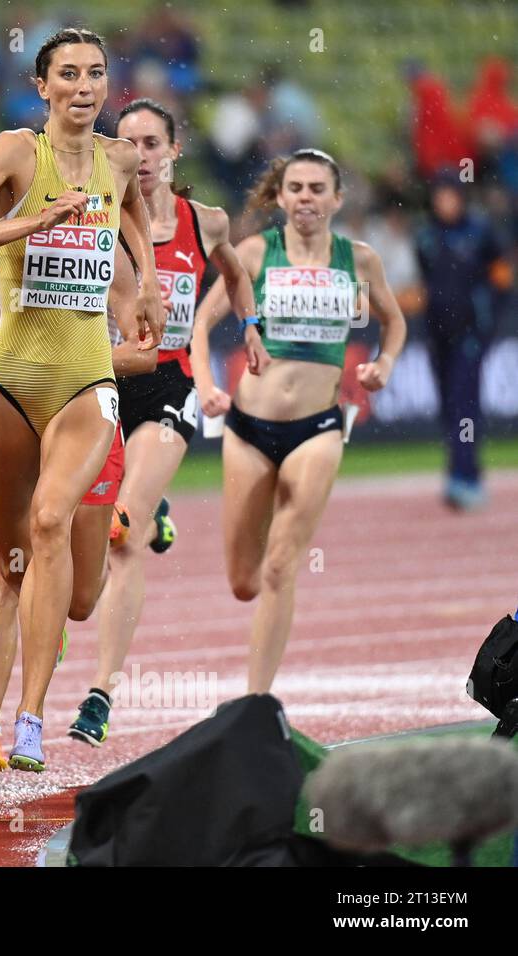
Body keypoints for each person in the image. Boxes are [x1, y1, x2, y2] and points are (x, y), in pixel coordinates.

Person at [0, 26, 164, 772]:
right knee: (10, 565)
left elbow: (131, 206)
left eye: (96, 73)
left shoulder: (119, 158)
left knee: (54, 532)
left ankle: (32, 718)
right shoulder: (14, 153)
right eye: (67, 74)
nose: (83, 86)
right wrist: (33, 221)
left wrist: (148, 279)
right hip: (10, 378)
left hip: (86, 380)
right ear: (42, 87)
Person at [65, 97, 257, 747]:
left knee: (122, 535)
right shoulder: (98, 219)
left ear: (174, 151)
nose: (139, 155)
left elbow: (235, 272)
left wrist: (249, 325)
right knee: (70, 533)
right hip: (103, 381)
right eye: (127, 143)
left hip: (168, 385)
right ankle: (151, 504)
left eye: (152, 143)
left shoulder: (207, 222)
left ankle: (99, 694)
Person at [191, 148, 406, 693]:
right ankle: (261, 558)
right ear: (280, 197)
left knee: (282, 566)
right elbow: (202, 321)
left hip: (318, 428)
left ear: (336, 198)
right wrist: (204, 383)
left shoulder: (358, 260)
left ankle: (256, 700)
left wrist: (384, 360)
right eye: (296, 188)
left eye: (317, 188)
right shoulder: (256, 252)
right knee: (244, 582)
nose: (306, 198)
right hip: (248, 430)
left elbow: (394, 320)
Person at [0, 250, 151, 776]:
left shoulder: (109, 251)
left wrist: (77, 362)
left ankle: (66, 588)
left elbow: (143, 353)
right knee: (11, 567)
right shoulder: (8, 241)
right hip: (15, 400)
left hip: (84, 406)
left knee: (78, 602)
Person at [413, 173, 510, 510]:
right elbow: (426, 281)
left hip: (470, 334)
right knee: (448, 406)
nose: (445, 202)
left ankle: (465, 477)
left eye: (450, 195)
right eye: (439, 196)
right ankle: (462, 469)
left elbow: (502, 280)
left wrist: (486, 322)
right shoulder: (426, 235)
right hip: (437, 334)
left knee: (465, 404)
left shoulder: (481, 232)